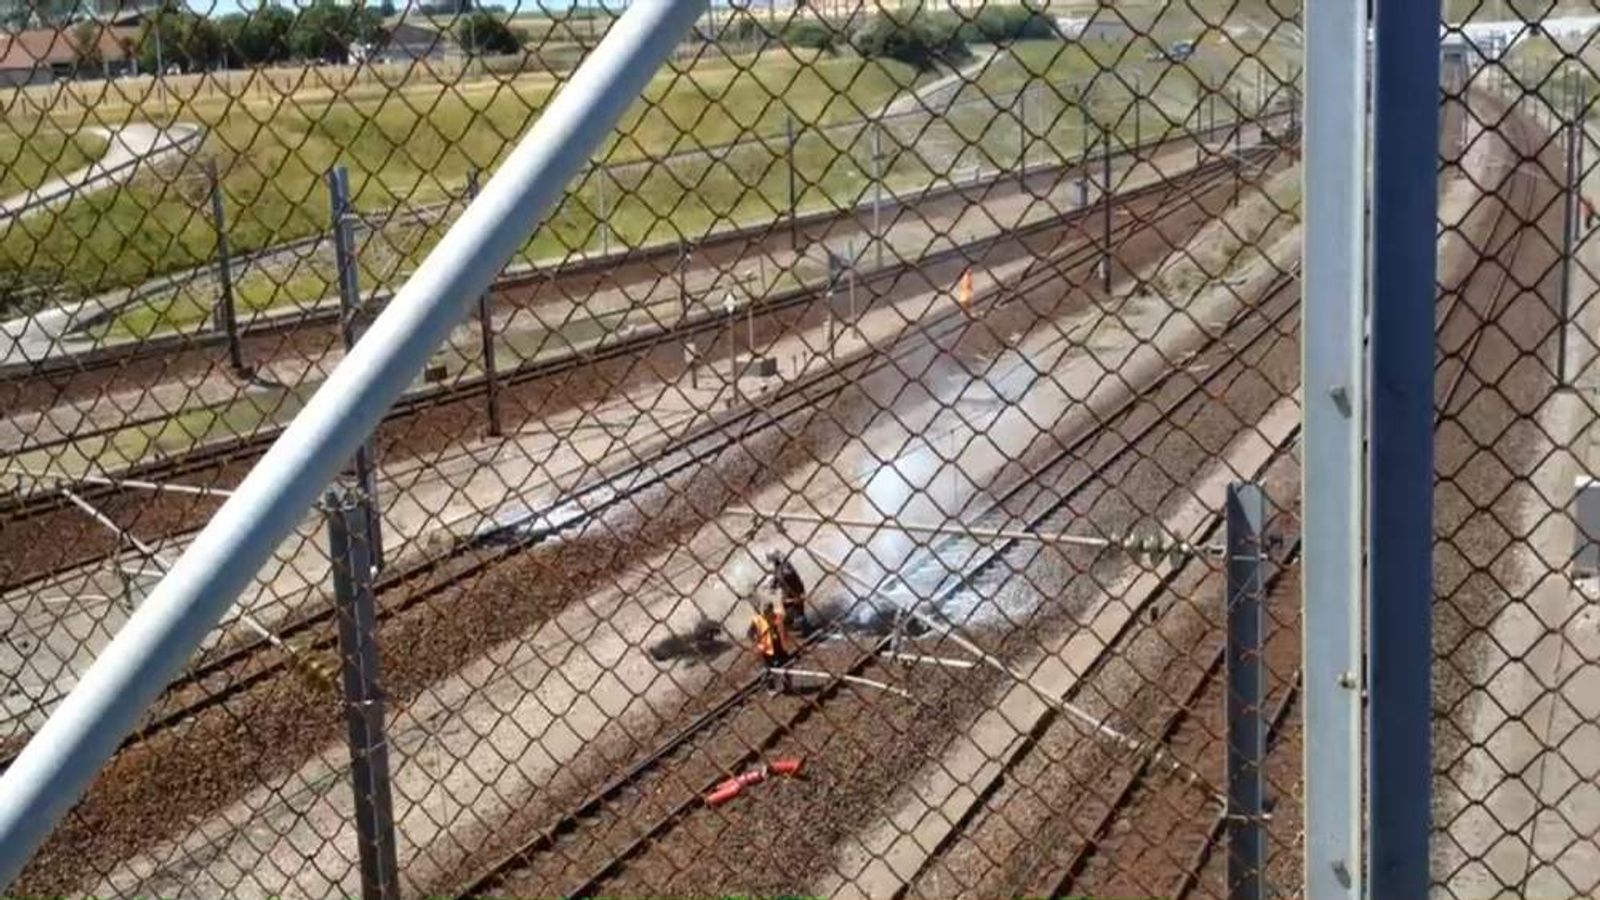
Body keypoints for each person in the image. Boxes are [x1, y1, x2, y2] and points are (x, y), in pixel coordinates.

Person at [747, 599, 793, 694]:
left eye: (767, 611)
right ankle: (770, 688)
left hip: (780, 646)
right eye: (764, 611)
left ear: (772, 610)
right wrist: (757, 643)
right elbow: (750, 634)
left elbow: (789, 622)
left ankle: (787, 686)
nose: (765, 613)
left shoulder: (778, 617)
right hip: (767, 648)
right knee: (768, 669)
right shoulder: (757, 620)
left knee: (786, 665)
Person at [766, 550, 809, 636]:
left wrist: (775, 582)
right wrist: (774, 584)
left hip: (794, 594)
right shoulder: (781, 567)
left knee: (794, 611)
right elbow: (777, 582)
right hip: (793, 594)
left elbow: (786, 576)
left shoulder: (785, 567)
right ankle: (799, 626)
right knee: (793, 611)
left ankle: (804, 627)